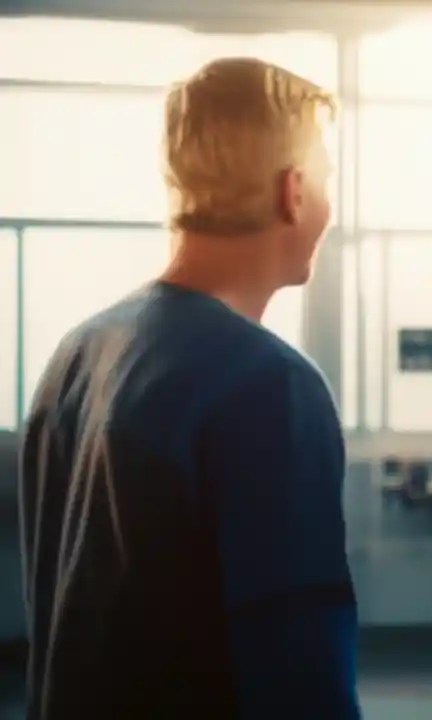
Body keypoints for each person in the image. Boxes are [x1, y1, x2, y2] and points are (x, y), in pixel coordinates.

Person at [18, 58, 359, 719]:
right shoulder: (268, 388)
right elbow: (299, 670)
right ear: (293, 192)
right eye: (327, 179)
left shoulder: (75, 357)